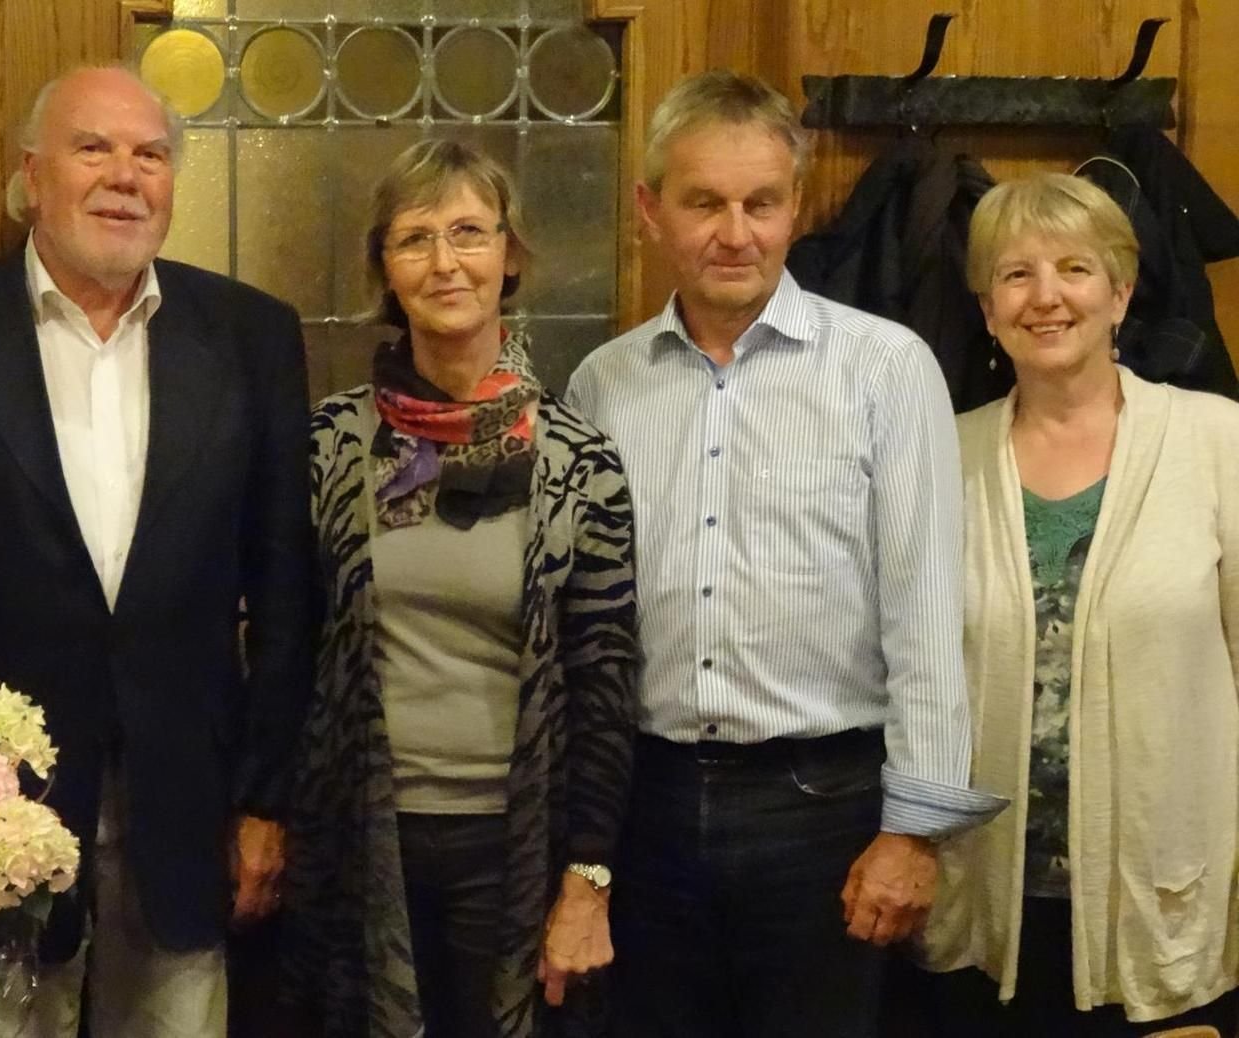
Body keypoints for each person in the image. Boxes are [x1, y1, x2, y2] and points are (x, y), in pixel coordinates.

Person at [0, 65, 314, 1037]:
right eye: (92, 148)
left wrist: (267, 799)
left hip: (187, 811)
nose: (124, 176)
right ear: (30, 177)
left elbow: (286, 587)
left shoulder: (250, 336)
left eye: (150, 154)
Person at [563, 70, 1004, 1037]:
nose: (736, 232)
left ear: (795, 206)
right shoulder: (602, 386)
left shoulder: (885, 369)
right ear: (650, 210)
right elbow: (582, 633)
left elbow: (926, 610)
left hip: (824, 811)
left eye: (761, 203)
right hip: (650, 807)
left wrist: (913, 831)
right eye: (704, 203)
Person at [281, 139, 638, 1038]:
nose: (445, 262)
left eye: (470, 233)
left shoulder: (578, 459)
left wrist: (588, 877)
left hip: (517, 842)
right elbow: (286, 651)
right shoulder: (329, 445)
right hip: (358, 834)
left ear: (510, 256)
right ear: (385, 268)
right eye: (415, 238)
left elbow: (604, 683)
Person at [914, 172, 1239, 1036]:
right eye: (1016, 275)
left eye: (1075, 269)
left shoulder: (1219, 445)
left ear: (1122, 293)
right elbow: (911, 681)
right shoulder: (941, 458)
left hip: (1168, 904)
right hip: (987, 906)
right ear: (985, 306)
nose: (1047, 297)